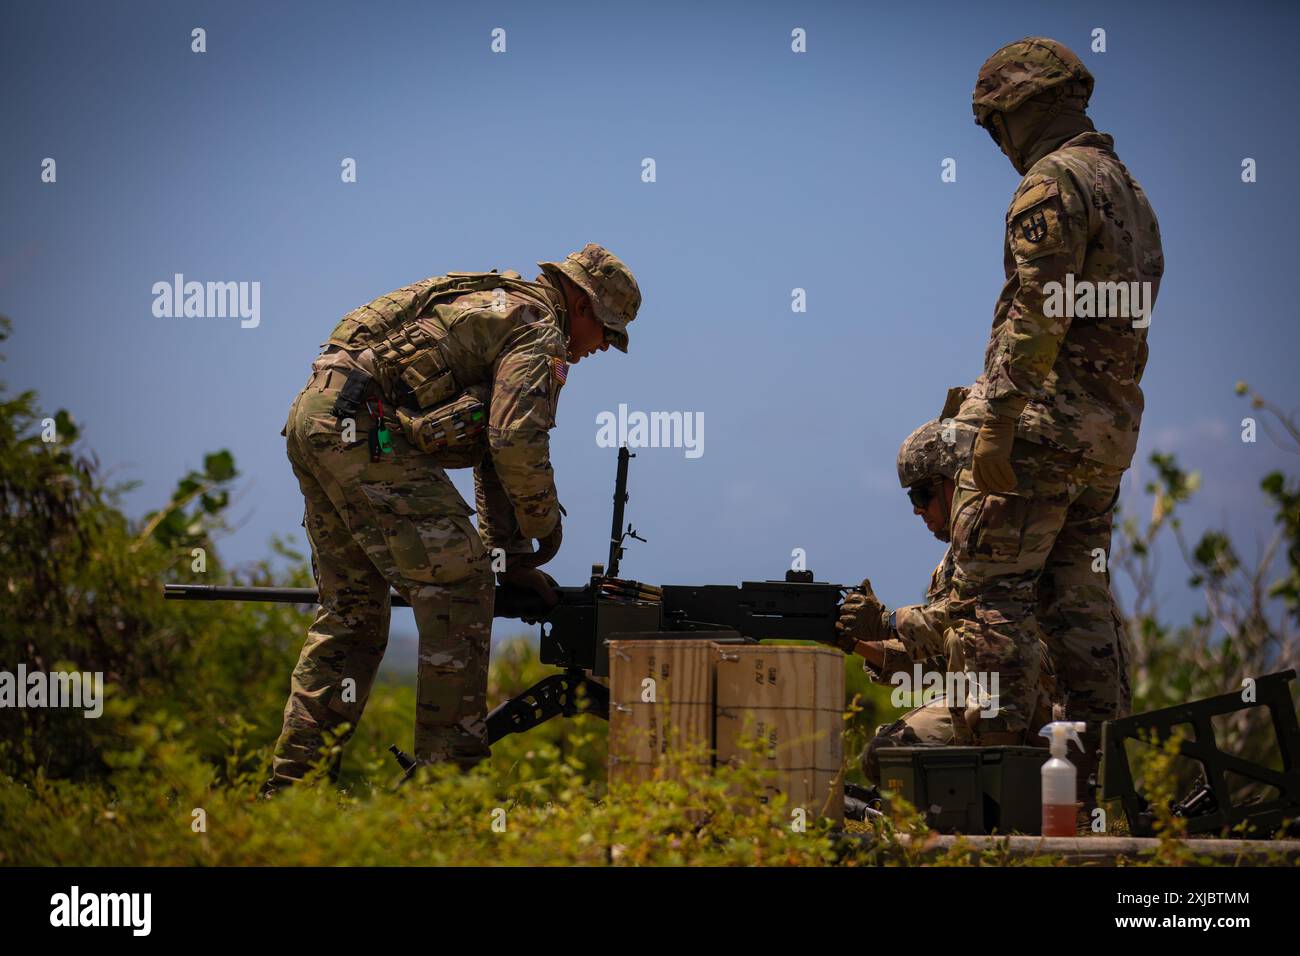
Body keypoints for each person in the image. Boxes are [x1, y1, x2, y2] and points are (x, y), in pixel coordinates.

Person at [264, 244, 641, 792]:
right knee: (462, 588)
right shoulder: (540, 332)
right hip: (367, 430)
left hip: (318, 418)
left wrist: (510, 561)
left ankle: (291, 794)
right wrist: (544, 527)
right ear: (582, 303)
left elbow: (490, 447)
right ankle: (449, 791)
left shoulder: (499, 304)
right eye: (607, 331)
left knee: (353, 616)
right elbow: (515, 441)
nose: (602, 347)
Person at [941, 37, 1161, 788]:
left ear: (1021, 109)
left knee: (987, 603)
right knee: (1081, 614)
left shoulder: (1053, 181)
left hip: (1038, 433)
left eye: (995, 122)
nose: (998, 141)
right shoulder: (1129, 191)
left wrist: (998, 417)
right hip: (1103, 442)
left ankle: (989, 792)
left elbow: (1041, 307)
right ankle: (1103, 792)